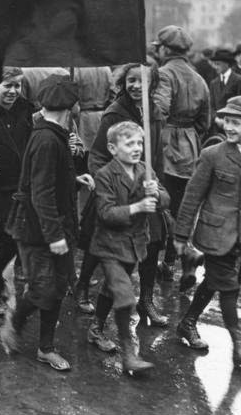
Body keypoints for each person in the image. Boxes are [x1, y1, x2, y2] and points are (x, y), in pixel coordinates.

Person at [0, 74, 94, 372]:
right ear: (72, 107)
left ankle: (46, 348)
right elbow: (40, 192)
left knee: (60, 285)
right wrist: (54, 235)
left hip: (54, 227)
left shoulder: (54, 133)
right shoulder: (46, 139)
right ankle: (14, 319)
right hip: (37, 231)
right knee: (43, 289)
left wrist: (73, 178)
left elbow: (48, 179)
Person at [174, 95, 241, 367]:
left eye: (236, 122)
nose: (228, 127)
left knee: (217, 282)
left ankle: (187, 322)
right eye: (226, 121)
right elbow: (191, 197)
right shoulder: (212, 155)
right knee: (229, 287)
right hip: (215, 235)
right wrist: (181, 237)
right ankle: (239, 347)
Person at [83, 64, 167, 326]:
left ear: (152, 84)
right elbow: (96, 156)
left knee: (152, 244)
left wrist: (156, 182)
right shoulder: (115, 113)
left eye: (142, 82)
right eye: (131, 80)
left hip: (144, 185)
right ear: (123, 82)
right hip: (116, 190)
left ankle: (147, 301)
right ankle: (83, 287)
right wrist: (109, 184)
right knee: (98, 244)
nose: (136, 86)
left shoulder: (153, 112)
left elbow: (156, 153)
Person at [88, 121, 169, 373]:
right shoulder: (105, 175)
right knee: (124, 296)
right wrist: (135, 207)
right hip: (110, 246)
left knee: (110, 290)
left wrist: (157, 194)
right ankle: (128, 354)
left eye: (139, 143)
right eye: (129, 143)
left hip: (135, 245)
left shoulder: (146, 171)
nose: (137, 148)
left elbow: (165, 201)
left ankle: (95, 328)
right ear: (113, 148)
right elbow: (105, 213)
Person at [152, 25, 210, 279]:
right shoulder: (199, 78)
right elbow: (205, 122)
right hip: (190, 148)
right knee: (180, 207)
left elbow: (158, 112)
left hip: (165, 148)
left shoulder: (164, 74)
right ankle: (171, 262)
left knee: (160, 205)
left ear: (165, 49)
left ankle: (182, 253)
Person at [0, 66, 34, 316]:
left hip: (22, 184)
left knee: (17, 237)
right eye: (7, 86)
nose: (13, 91)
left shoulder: (27, 109)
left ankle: (5, 277)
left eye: (17, 86)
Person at [208, 48, 241, 135]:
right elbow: (211, 106)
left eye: (218, 64)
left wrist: (229, 121)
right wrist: (216, 119)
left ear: (226, 64)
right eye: (215, 64)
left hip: (235, 127)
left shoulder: (239, 80)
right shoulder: (213, 83)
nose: (215, 67)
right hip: (217, 128)